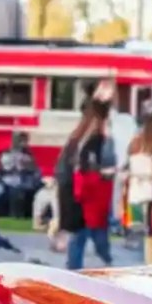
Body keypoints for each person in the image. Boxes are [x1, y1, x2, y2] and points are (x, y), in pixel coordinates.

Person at [57, 85, 115, 270]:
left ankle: (77, 270)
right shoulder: (92, 140)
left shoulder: (79, 138)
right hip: (86, 194)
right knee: (91, 235)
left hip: (79, 193)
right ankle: (105, 264)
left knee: (82, 236)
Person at [123, 104, 152, 265]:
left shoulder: (136, 141)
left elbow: (128, 164)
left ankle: (149, 260)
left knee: (146, 230)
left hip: (139, 191)